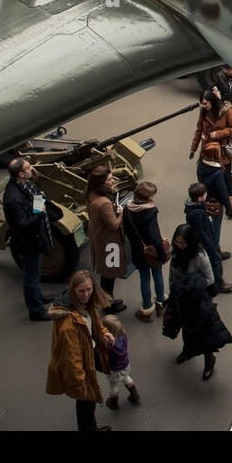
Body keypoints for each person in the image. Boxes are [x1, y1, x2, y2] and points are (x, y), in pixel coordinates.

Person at [46, 269, 114, 431]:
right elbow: (72, 358)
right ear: (73, 290)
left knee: (87, 404)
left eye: (89, 289)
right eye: (81, 291)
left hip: (88, 354)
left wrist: (104, 333)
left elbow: (95, 326)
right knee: (86, 403)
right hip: (81, 366)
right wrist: (79, 383)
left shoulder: (86, 305)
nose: (86, 294)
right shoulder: (68, 324)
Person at [170, 238, 232, 380]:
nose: (180, 245)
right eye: (177, 242)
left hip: (199, 300)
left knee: (205, 331)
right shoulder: (175, 256)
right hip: (183, 298)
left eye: (183, 242)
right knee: (186, 326)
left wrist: (191, 284)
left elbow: (210, 279)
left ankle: (209, 360)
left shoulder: (200, 256)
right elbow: (172, 276)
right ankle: (187, 350)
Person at [1, 156, 54, 321]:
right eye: (29, 168)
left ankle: (38, 297)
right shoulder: (13, 199)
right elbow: (20, 225)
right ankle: (36, 310)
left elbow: (36, 195)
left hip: (36, 237)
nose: (32, 170)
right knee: (31, 276)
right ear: (21, 174)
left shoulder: (25, 184)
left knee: (35, 273)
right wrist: (40, 213)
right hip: (29, 242)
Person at [85, 165, 128, 314]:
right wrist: (121, 213)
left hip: (100, 240)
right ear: (102, 182)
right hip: (110, 244)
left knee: (106, 274)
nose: (112, 181)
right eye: (109, 179)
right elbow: (114, 225)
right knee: (110, 275)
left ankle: (107, 299)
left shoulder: (92, 194)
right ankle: (108, 304)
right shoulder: (104, 203)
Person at [121, 180, 166, 321]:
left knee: (144, 279)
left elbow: (127, 231)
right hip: (152, 250)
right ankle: (161, 304)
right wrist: (162, 254)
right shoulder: (150, 211)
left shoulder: (127, 209)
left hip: (137, 249)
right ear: (147, 197)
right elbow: (155, 236)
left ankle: (146, 309)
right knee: (158, 275)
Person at [182, 182, 232, 293]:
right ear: (200, 198)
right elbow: (201, 233)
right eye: (205, 194)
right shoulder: (197, 214)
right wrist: (211, 246)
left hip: (203, 241)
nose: (207, 196)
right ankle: (218, 284)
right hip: (205, 243)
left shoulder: (193, 207)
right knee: (215, 260)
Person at [191, 86, 232, 194]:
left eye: (205, 103)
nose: (203, 106)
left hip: (222, 149)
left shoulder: (227, 111)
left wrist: (218, 134)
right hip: (208, 149)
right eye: (202, 103)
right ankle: (213, 197)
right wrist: (193, 148)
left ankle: (231, 200)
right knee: (207, 175)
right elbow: (199, 129)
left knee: (226, 176)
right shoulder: (203, 111)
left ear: (212, 101)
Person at [101, 315, 139, 410]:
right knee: (126, 378)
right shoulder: (123, 336)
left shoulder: (108, 344)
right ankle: (134, 395)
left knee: (113, 386)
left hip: (113, 369)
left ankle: (113, 403)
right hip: (125, 365)